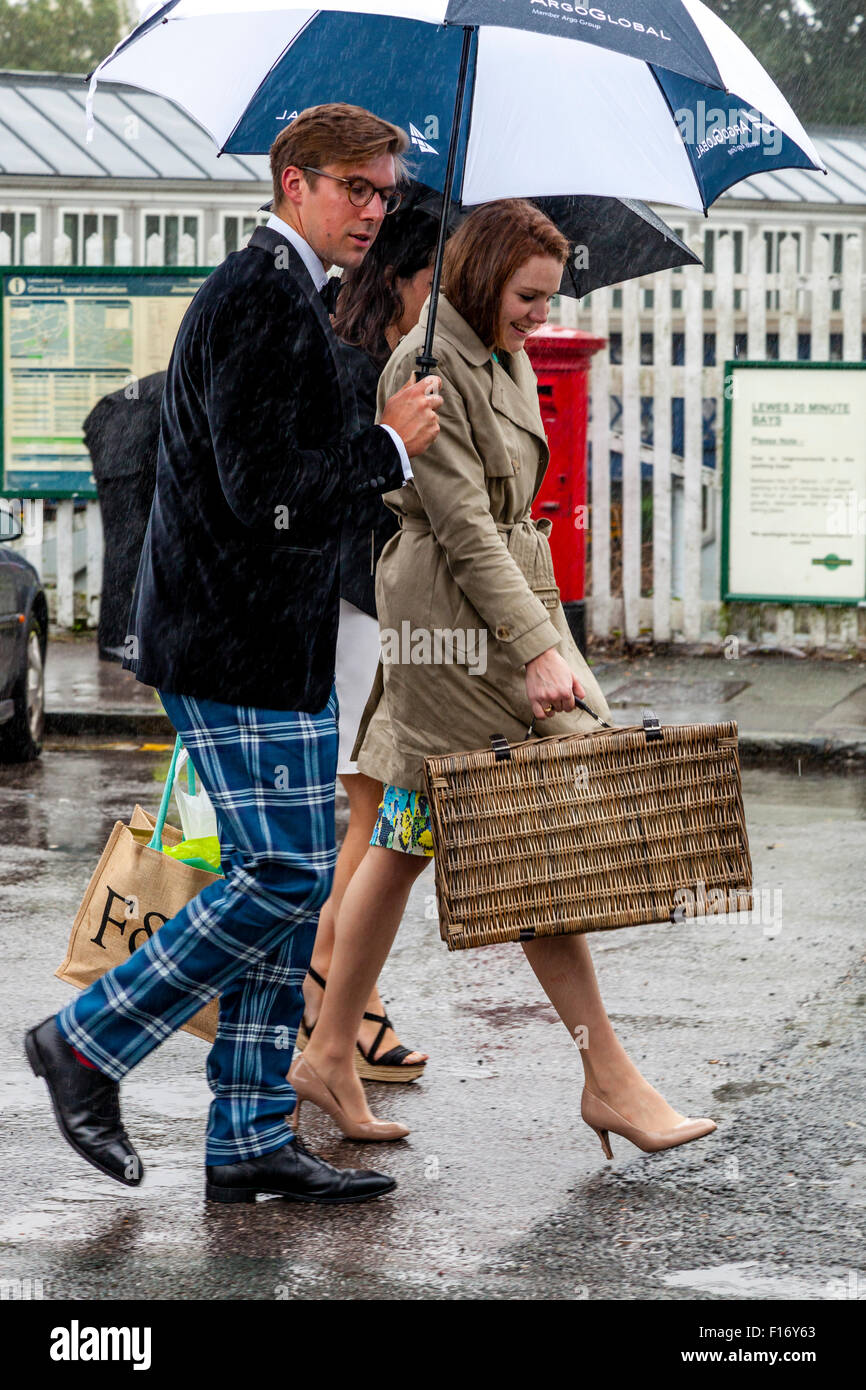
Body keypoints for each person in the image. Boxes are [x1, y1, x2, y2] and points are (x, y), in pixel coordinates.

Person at [24, 104, 443, 1205]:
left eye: (384, 190)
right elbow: (271, 497)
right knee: (285, 873)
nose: (373, 207)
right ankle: (87, 1039)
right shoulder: (256, 295)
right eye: (354, 186)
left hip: (279, 641)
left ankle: (250, 1132)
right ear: (292, 182)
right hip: (231, 637)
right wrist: (389, 443)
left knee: (294, 892)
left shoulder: (297, 296)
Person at [291, 200, 717, 1160]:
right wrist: (538, 646)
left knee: (405, 834)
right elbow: (467, 529)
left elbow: (506, 521)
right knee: (523, 836)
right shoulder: (430, 367)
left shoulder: (495, 349)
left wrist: (538, 633)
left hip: (483, 607)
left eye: (549, 299)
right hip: (457, 620)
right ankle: (607, 1075)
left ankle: (326, 1051)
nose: (541, 315)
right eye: (529, 296)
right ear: (484, 276)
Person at [296, 200, 442, 1083]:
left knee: (376, 810)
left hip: (382, 603)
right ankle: (334, 989)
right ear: (396, 277)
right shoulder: (359, 366)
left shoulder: (400, 359)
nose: (441, 299)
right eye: (433, 282)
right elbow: (354, 487)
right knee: (375, 806)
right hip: (362, 602)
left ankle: (342, 991)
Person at [83, 372, 164, 661]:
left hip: (128, 440)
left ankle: (129, 636)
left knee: (140, 545)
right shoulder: (205, 384)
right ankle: (113, 640)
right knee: (124, 549)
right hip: (120, 445)